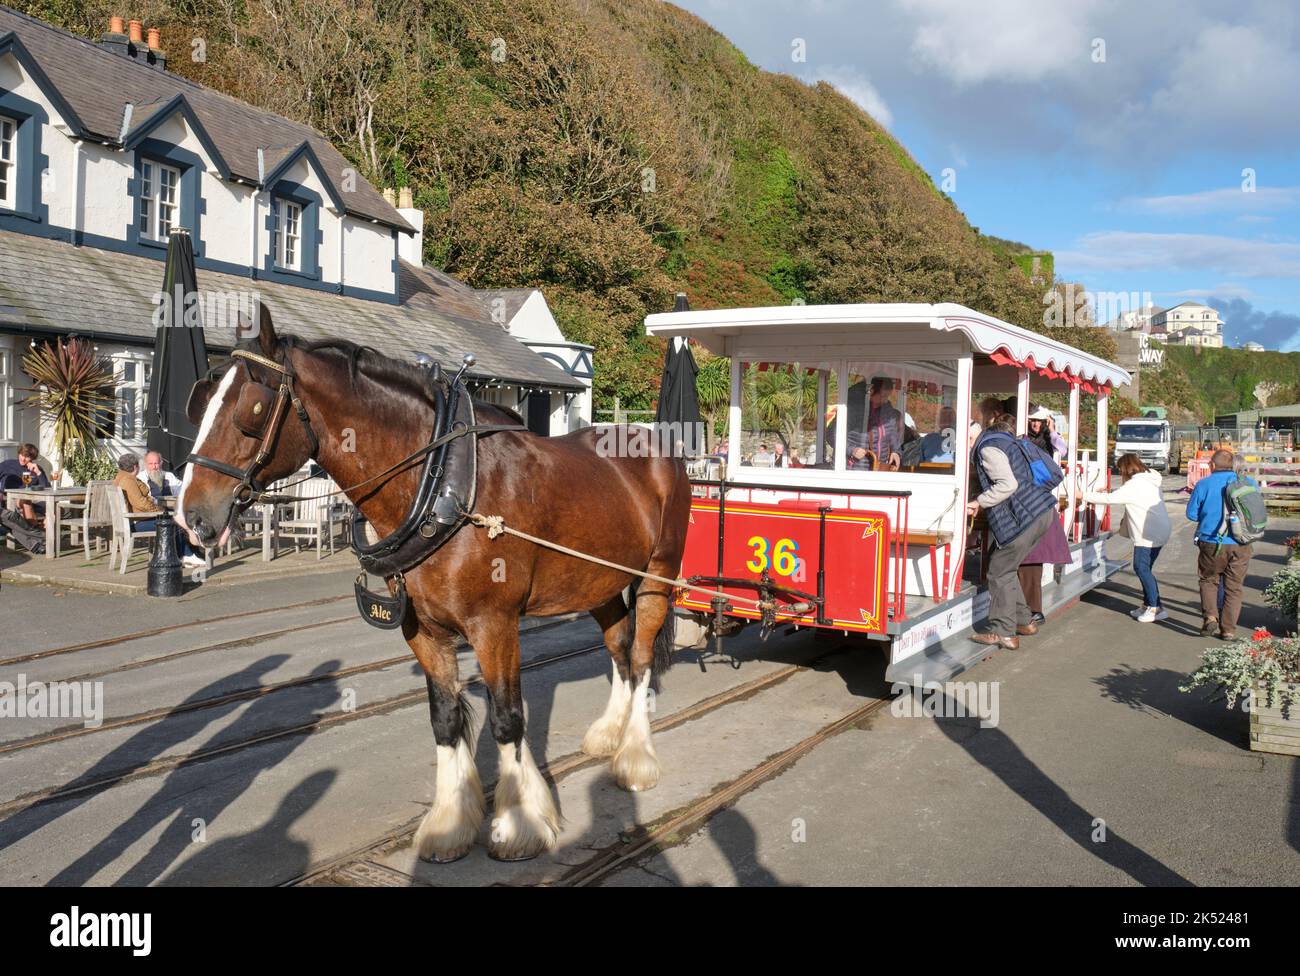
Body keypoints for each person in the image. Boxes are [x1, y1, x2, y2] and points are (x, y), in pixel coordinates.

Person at [966, 414, 1058, 649]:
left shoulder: (987, 449)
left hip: (1024, 516)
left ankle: (1002, 632)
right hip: (1042, 511)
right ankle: (1024, 621)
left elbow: (1008, 484)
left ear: (970, 438)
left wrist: (978, 502)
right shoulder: (1004, 441)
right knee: (1007, 567)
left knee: (998, 571)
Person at [1084, 453, 1171, 622]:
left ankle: (1154, 608)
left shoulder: (1134, 485)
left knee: (1141, 568)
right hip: (1160, 530)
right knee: (1145, 569)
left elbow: (1109, 499)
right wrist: (1113, 491)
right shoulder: (1150, 478)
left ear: (1126, 469)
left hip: (1148, 533)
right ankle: (1150, 605)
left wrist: (1081, 495)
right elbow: (1126, 494)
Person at [1185, 449, 1256, 639]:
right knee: (1234, 587)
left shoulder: (1204, 484)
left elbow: (1191, 514)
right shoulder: (1248, 483)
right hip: (1241, 542)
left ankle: (1210, 617)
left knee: (1209, 580)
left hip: (1212, 541)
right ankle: (1229, 630)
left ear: (1212, 465)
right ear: (1233, 465)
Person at [114, 452, 204, 569]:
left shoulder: (120, 478)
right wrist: (160, 511)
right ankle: (186, 555)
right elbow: (140, 503)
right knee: (174, 523)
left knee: (174, 521)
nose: (154, 466)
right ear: (136, 466)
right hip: (137, 522)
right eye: (150, 463)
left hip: (133, 521)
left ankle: (182, 554)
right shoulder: (129, 481)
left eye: (156, 463)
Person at [852, 377, 903, 471]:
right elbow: (831, 434)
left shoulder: (888, 412)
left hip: (880, 468)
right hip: (856, 469)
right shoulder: (853, 410)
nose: (885, 400)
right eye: (882, 396)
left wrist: (896, 452)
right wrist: (851, 450)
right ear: (871, 391)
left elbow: (893, 436)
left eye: (887, 397)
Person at [0, 443, 51, 523]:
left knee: (55, 508)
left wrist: (38, 473)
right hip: (14, 498)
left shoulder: (36, 468)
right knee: (26, 502)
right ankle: (33, 532)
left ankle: (44, 532)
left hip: (35, 499)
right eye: (22, 455)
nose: (23, 459)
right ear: (19, 453)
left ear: (32, 458)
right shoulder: (8, 464)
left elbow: (47, 488)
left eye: (27, 457)